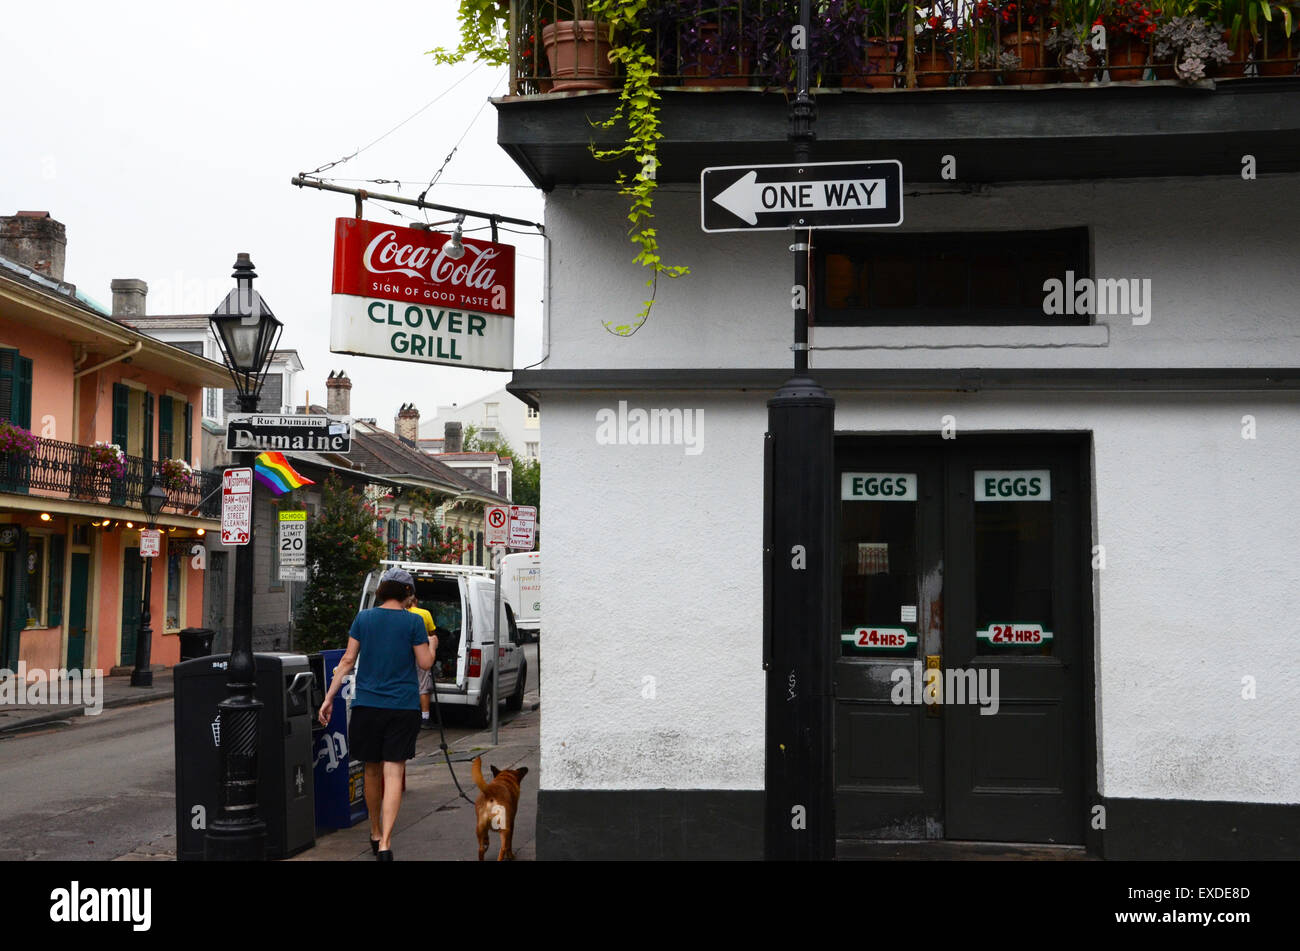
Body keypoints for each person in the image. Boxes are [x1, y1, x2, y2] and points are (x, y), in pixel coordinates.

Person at [318, 567, 434, 861]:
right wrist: (431, 645)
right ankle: (386, 844)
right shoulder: (414, 622)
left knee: (371, 769)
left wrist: (329, 698)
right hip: (402, 707)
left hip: (367, 705)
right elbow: (424, 664)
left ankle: (374, 831)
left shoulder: (364, 618)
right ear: (407, 594)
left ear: (382, 590)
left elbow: (346, 661)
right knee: (393, 772)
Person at [405, 593, 440, 729]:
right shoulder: (424, 614)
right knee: (423, 686)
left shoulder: (403, 613)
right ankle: (425, 719)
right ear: (416, 601)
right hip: (421, 652)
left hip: (406, 653)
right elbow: (433, 634)